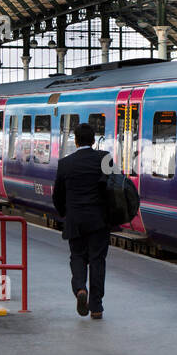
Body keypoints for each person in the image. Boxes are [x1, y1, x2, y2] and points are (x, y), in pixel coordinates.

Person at [53, 121, 110, 320]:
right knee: (97, 261)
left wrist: (65, 214)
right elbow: (116, 189)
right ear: (94, 140)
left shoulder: (65, 163)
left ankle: (79, 289)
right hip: (99, 221)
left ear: (75, 141)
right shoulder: (105, 159)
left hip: (75, 219)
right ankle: (96, 307)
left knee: (77, 257)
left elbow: (57, 195)